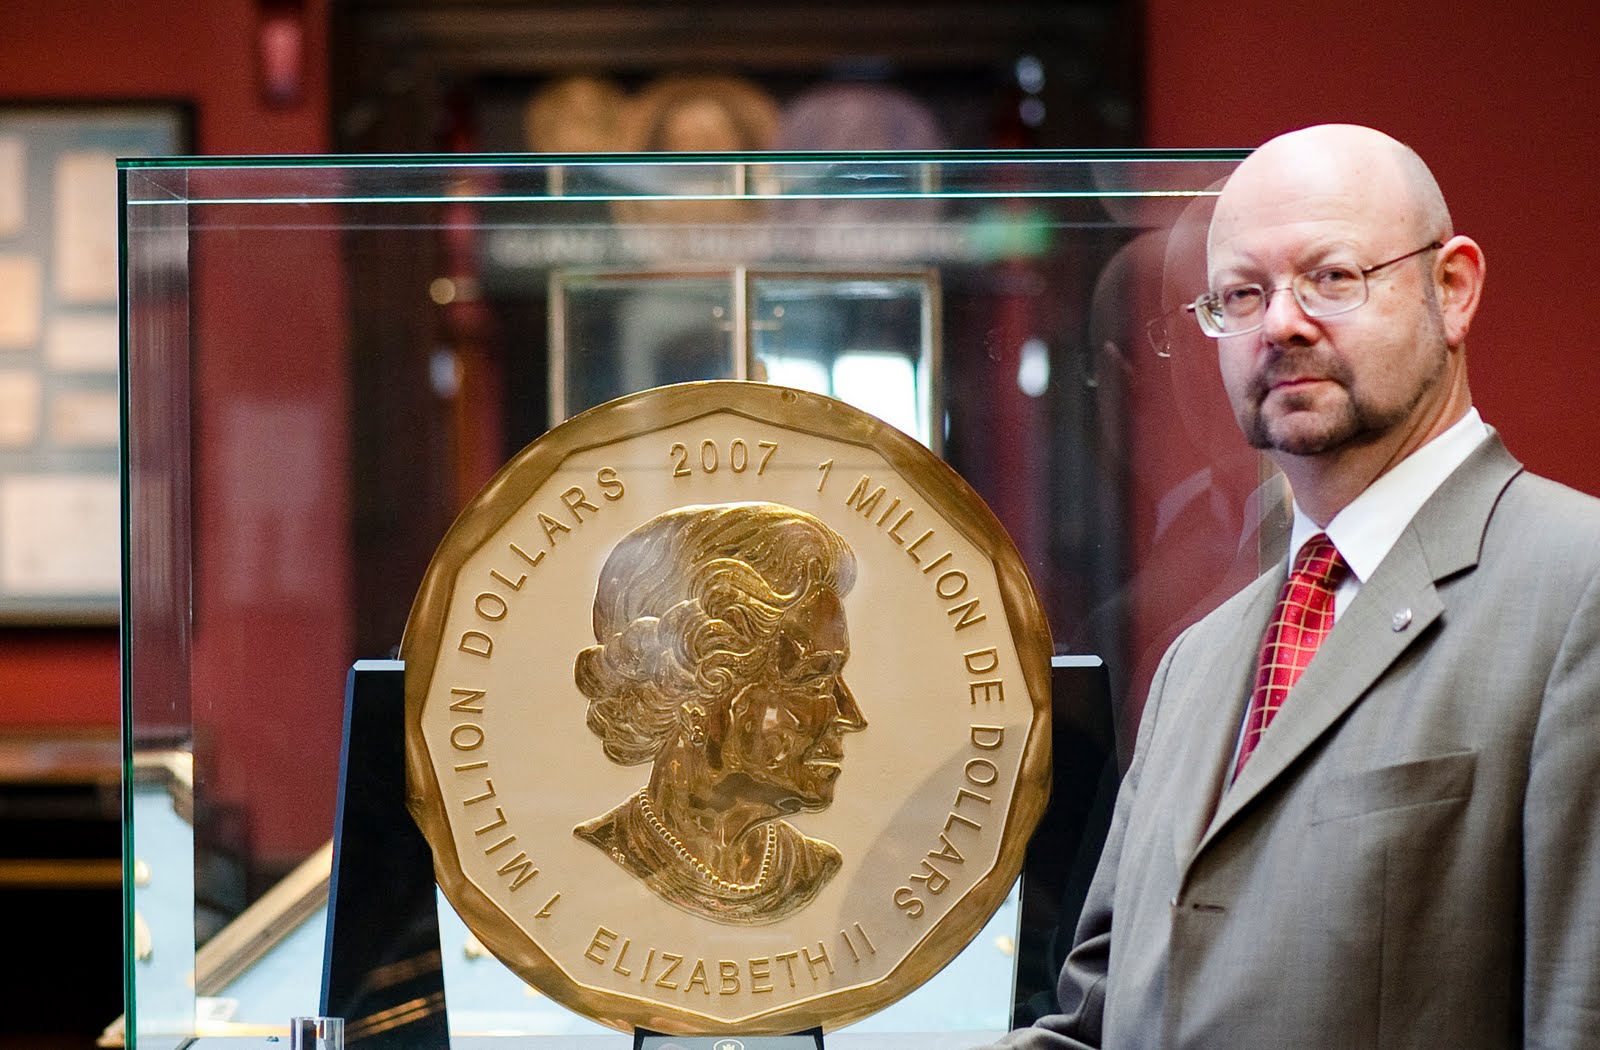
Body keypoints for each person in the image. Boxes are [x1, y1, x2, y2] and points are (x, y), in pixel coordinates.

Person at [985, 123, 1600, 1048]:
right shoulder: (1198, 662)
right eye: (1242, 293)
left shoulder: (1578, 588)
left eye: (1333, 277)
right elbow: (1097, 1027)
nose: (1281, 322)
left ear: (1454, 289)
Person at [572, 502, 867, 925]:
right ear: (694, 692)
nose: (849, 715)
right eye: (812, 679)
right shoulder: (597, 866)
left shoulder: (812, 870)